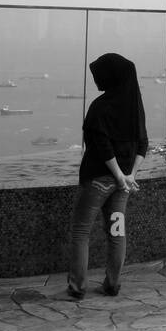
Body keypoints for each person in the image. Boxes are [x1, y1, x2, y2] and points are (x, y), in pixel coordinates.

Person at [68, 52, 147, 299]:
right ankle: (112, 284)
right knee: (116, 231)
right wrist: (128, 176)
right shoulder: (134, 107)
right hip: (122, 185)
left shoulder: (100, 106)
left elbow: (102, 146)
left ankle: (77, 288)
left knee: (81, 231)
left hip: (98, 180)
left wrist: (118, 174)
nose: (96, 80)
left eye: (99, 76)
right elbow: (143, 143)